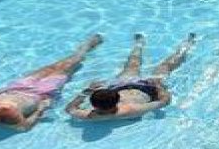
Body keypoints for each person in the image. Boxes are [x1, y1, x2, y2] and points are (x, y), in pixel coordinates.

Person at [0, 34, 101, 131]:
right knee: (66, 65)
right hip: (39, 92)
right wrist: (42, 108)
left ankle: (85, 48)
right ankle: (83, 49)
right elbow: (24, 127)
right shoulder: (2, 111)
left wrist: (40, 109)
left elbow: (23, 128)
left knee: (58, 66)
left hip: (21, 88)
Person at [65, 33, 195, 121]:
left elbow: (70, 109)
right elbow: (164, 101)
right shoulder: (131, 110)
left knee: (132, 65)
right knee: (165, 66)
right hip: (146, 88)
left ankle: (139, 43)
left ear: (93, 105)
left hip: (122, 84)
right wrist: (159, 86)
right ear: (117, 100)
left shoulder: (91, 116)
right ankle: (186, 45)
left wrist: (85, 91)